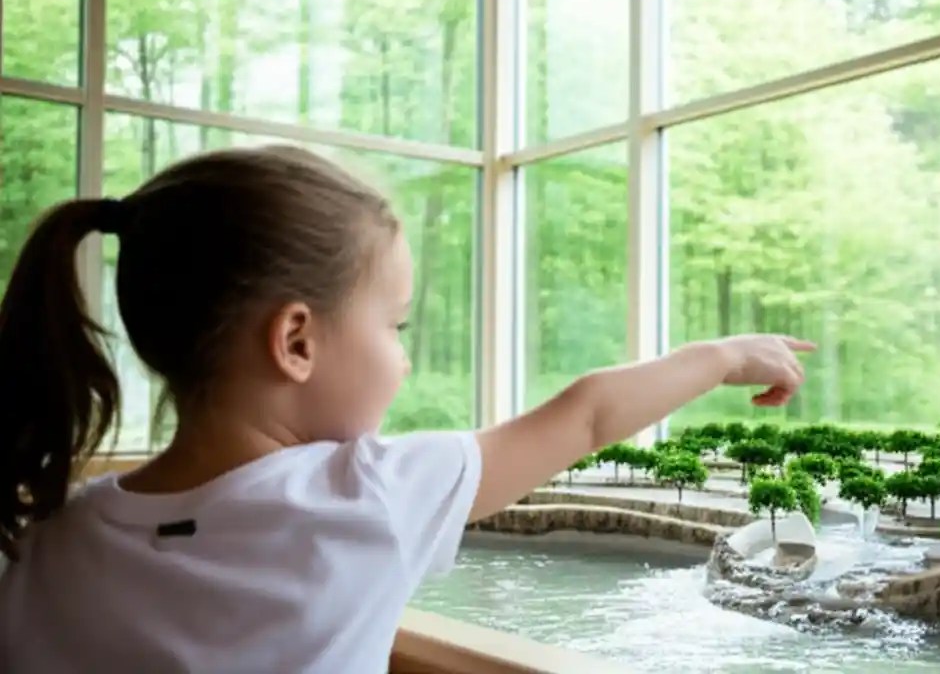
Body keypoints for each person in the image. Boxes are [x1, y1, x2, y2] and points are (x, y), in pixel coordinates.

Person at [0, 145, 813, 673]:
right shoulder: (365, 497)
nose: (405, 355)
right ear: (296, 341)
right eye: (393, 325)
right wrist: (722, 358)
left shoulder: (44, 542)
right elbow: (586, 417)